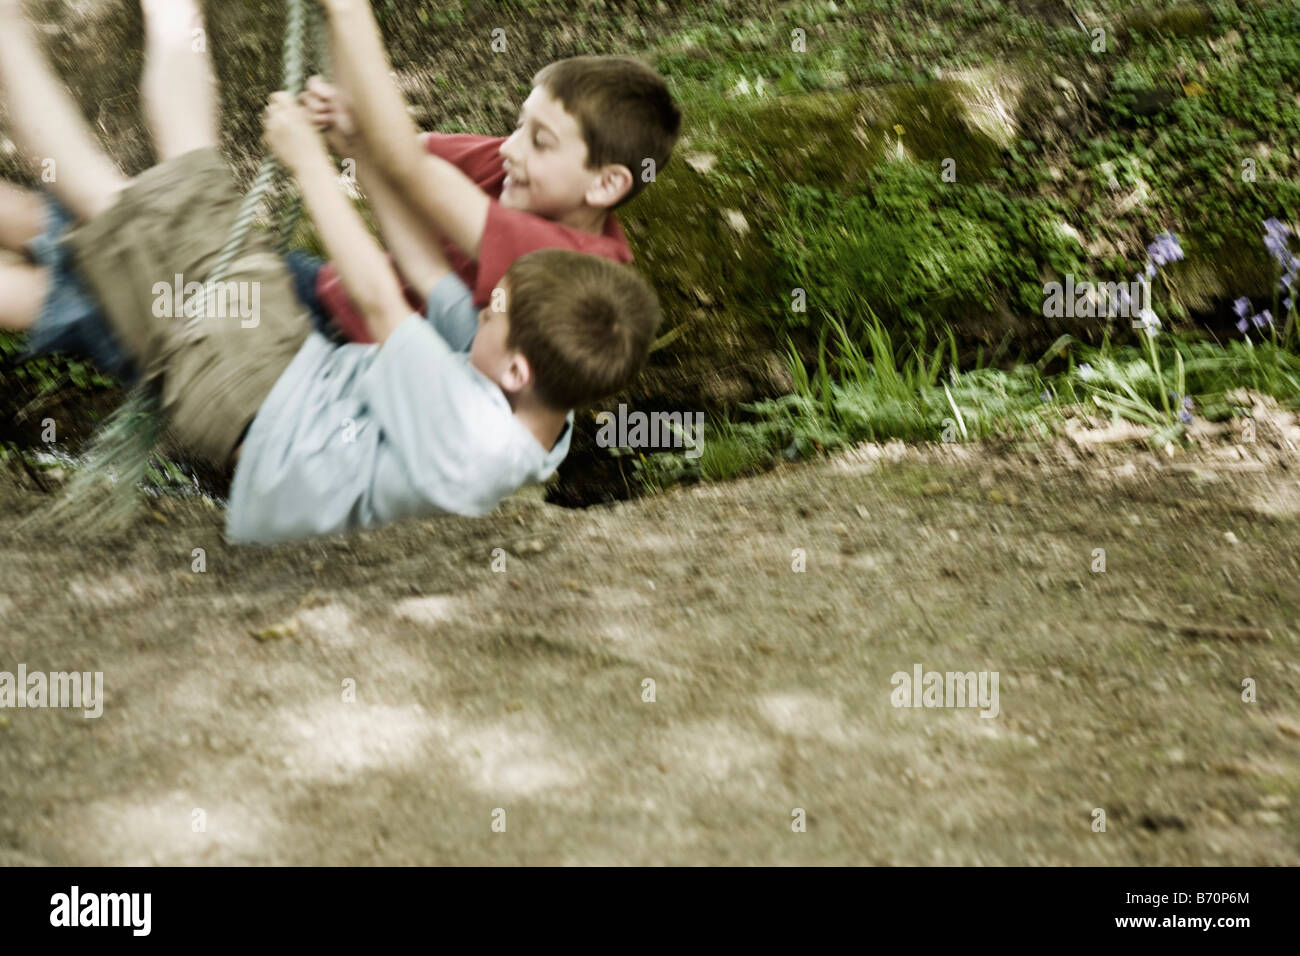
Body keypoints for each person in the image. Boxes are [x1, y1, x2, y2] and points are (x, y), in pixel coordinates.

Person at [0, 0, 661, 544]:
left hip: (259, 388)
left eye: (494, 308)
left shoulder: (473, 430)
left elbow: (382, 302)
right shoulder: (529, 396)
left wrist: (311, 164)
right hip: (277, 377)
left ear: (518, 366)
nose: (483, 303)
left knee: (146, 186)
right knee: (85, 260)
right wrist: (353, 150)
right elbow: (430, 275)